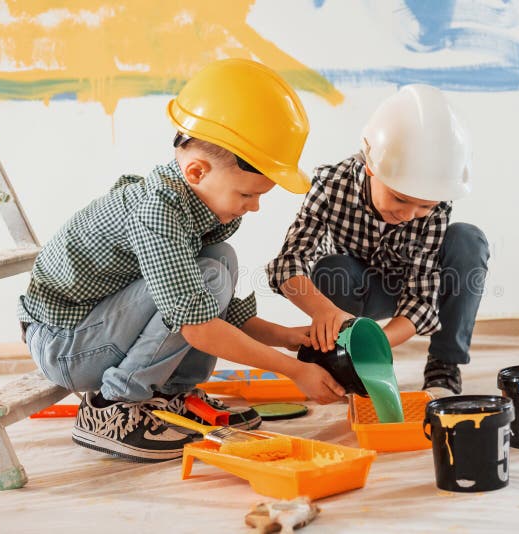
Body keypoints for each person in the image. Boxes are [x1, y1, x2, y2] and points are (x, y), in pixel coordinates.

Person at [18, 59, 346, 463]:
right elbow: (201, 327)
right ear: (196, 171)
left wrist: (290, 337)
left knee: (219, 260)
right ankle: (114, 407)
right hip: (66, 346)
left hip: (93, 334)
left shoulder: (195, 211)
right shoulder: (158, 214)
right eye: (247, 195)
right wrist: (294, 371)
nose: (255, 207)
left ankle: (171, 395)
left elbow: (219, 314)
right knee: (209, 276)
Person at [267, 84, 489, 398]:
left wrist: (376, 345)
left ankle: (444, 364)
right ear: (371, 166)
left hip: (411, 286)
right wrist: (324, 312)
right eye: (400, 198)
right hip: (354, 296)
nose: (412, 214)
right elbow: (286, 264)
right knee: (335, 268)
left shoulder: (435, 205)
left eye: (425, 206)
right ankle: (342, 356)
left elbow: (422, 301)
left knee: (468, 240)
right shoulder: (331, 184)